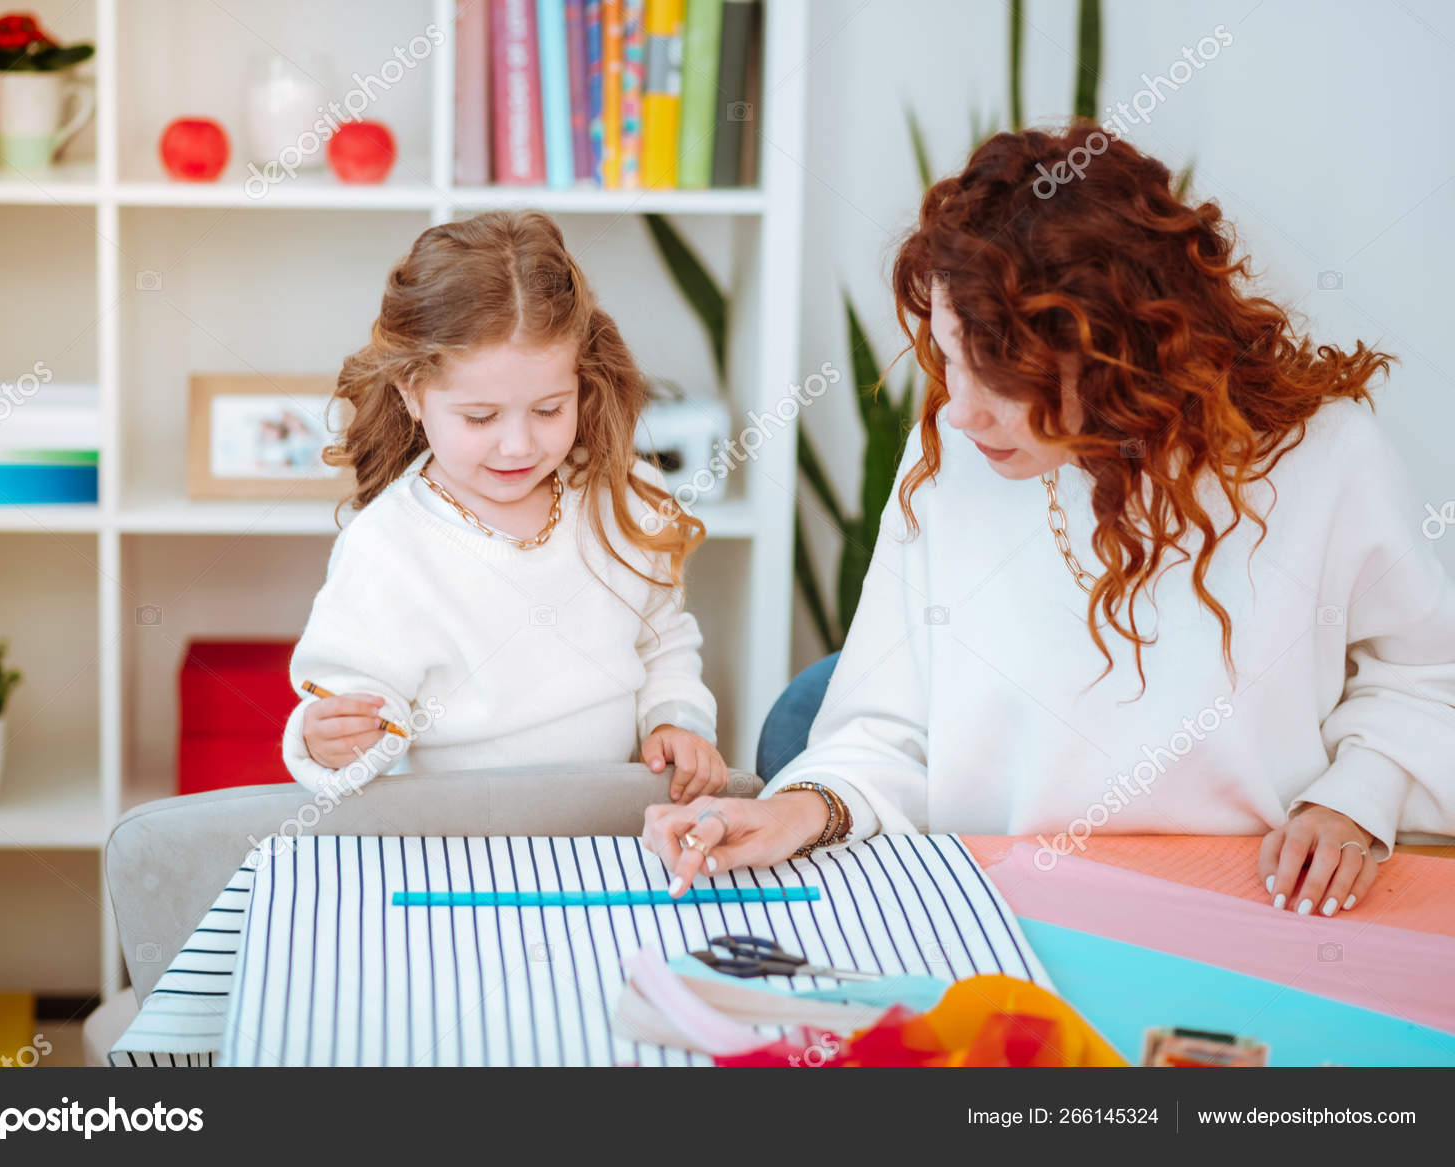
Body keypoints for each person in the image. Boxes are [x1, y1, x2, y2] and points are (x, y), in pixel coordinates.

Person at [645, 124, 1455, 913]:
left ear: (1119, 352)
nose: (958, 413)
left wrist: (1352, 802)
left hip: (1256, 905)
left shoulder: (1324, 457)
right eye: (950, 361)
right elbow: (885, 731)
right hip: (1001, 907)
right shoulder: (951, 461)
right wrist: (791, 811)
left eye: (999, 377)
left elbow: (1426, 681)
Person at [283, 210, 726, 801]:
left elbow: (663, 639)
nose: (519, 445)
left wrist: (674, 719)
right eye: (480, 417)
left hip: (608, 819)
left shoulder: (624, 495)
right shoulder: (387, 545)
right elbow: (348, 699)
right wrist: (326, 741)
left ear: (580, 378)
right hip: (455, 839)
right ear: (413, 394)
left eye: (549, 410)